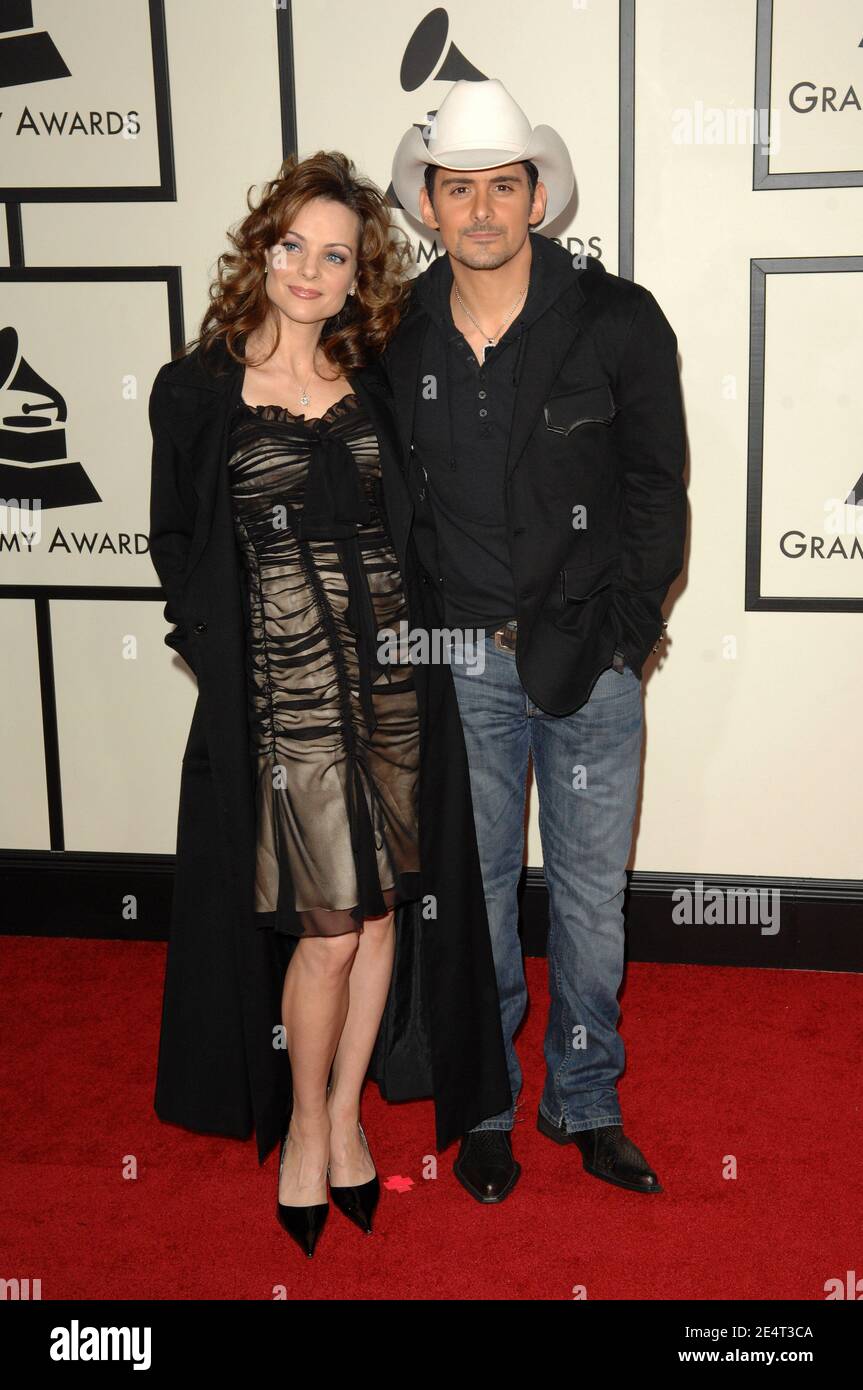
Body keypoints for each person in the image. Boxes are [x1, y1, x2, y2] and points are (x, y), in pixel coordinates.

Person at [147, 151, 511, 1256]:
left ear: (359, 278)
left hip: (394, 682)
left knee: (388, 912)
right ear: (262, 251)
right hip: (285, 703)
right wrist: (230, 667)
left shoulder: (377, 381)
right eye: (293, 245)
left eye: (336, 254)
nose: (310, 268)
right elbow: (178, 551)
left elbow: (413, 525)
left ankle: (349, 1116)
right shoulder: (196, 389)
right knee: (328, 931)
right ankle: (306, 1125)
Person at [386, 79, 687, 1202]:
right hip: (455, 665)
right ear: (428, 201)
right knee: (472, 899)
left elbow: (658, 491)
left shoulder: (615, 318)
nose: (478, 210)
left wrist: (626, 633)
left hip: (589, 663)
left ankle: (584, 1099)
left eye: (499, 187)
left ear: (535, 196)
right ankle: (481, 1102)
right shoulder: (395, 332)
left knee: (588, 899)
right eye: (456, 188)